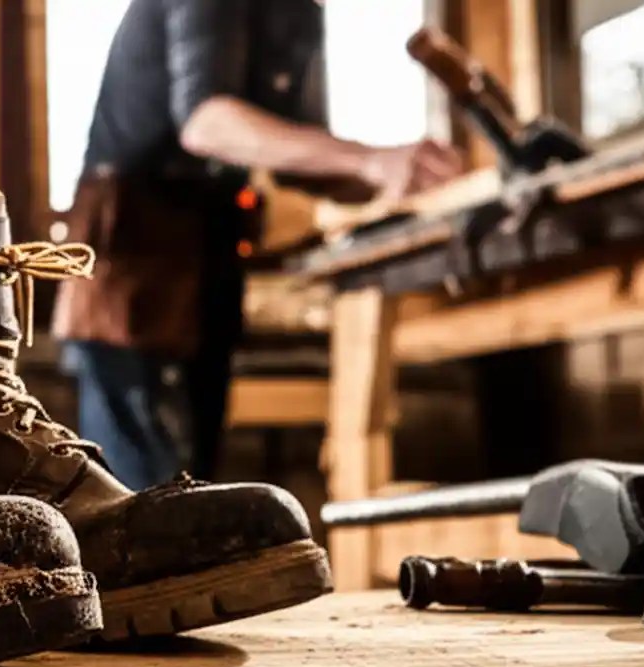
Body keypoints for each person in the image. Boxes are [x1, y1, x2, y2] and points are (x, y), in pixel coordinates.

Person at [52, 0, 461, 491]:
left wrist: (397, 175)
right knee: (140, 504)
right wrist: (371, 160)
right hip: (133, 272)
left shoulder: (301, 12)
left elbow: (297, 158)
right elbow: (207, 122)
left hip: (210, 266)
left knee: (193, 491)